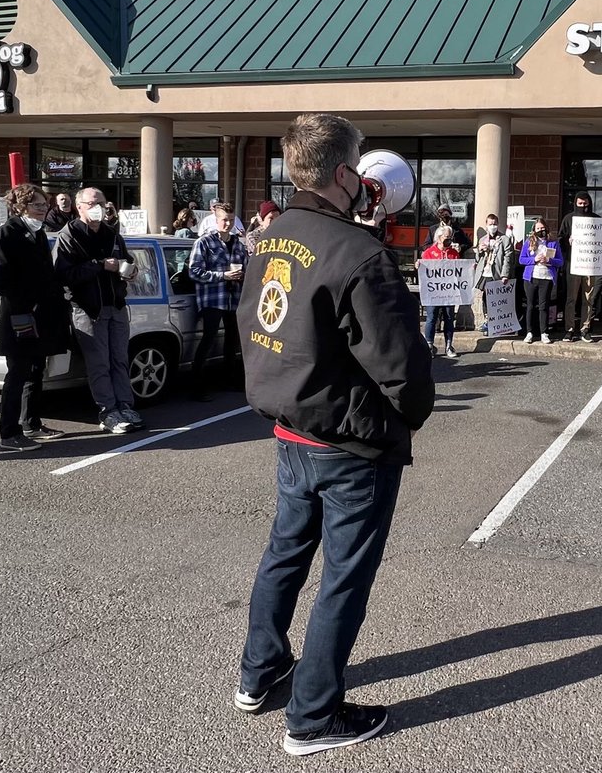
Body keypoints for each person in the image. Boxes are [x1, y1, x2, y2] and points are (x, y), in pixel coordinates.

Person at [234, 113, 434, 756]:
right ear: (346, 173)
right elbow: (403, 365)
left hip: (290, 430)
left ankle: (260, 675)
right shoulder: (360, 253)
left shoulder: (269, 235)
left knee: (285, 556)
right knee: (343, 577)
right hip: (350, 442)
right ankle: (313, 716)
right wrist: (409, 414)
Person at [54, 187, 143, 434]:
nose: (97, 208)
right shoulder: (69, 235)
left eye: (101, 203)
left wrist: (130, 270)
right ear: (78, 206)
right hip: (88, 309)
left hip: (115, 305)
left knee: (120, 359)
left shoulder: (112, 234)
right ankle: (108, 411)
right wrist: (99, 265)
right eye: (92, 203)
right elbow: (64, 274)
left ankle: (125, 406)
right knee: (99, 363)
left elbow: (127, 261)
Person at [0, 185, 71, 450]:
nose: (43, 209)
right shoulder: (9, 232)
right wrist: (28, 301)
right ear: (21, 206)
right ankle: (9, 433)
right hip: (20, 316)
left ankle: (31, 423)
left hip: (41, 315)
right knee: (17, 373)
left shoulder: (37, 233)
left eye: (45, 205)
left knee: (35, 370)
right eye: (37, 205)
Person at [187, 202, 248, 401]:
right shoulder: (204, 242)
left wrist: (241, 275)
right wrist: (223, 276)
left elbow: (247, 269)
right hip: (213, 298)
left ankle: (229, 379)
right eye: (224, 220)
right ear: (216, 220)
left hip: (233, 298)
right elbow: (194, 272)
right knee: (208, 338)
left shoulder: (238, 244)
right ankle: (196, 385)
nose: (228, 224)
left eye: (231, 220)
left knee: (232, 340)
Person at [558, 191, 599, 342]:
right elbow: (560, 238)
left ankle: (585, 328)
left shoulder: (596, 219)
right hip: (573, 264)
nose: (583, 206)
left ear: (589, 203)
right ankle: (569, 329)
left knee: (588, 298)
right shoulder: (569, 218)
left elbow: (601, 240)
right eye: (580, 204)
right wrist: (567, 241)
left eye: (585, 204)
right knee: (571, 299)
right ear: (575, 203)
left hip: (590, 266)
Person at [518, 218, 561, 344]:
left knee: (544, 306)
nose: (541, 231)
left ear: (546, 228)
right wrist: (534, 259)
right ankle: (529, 332)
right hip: (531, 278)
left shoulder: (553, 243)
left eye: (542, 228)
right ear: (534, 230)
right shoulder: (529, 242)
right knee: (530, 305)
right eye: (538, 229)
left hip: (546, 278)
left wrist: (549, 261)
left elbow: (560, 262)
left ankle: (544, 332)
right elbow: (522, 260)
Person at [421, 225, 462, 358]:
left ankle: (449, 345)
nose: (449, 240)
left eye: (450, 237)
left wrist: (468, 268)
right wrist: (419, 266)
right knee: (432, 318)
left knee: (449, 318)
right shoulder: (428, 253)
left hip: (448, 292)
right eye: (446, 237)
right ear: (438, 238)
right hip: (434, 293)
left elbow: (460, 271)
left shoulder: (454, 253)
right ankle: (429, 345)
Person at [473, 213, 516, 333]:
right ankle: (487, 320)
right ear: (486, 225)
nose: (493, 226)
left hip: (497, 272)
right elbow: (478, 258)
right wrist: (480, 250)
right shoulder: (482, 239)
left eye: (495, 224)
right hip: (485, 272)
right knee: (486, 297)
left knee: (497, 298)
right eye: (490, 224)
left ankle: (498, 322)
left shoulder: (504, 239)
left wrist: (505, 274)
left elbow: (508, 258)